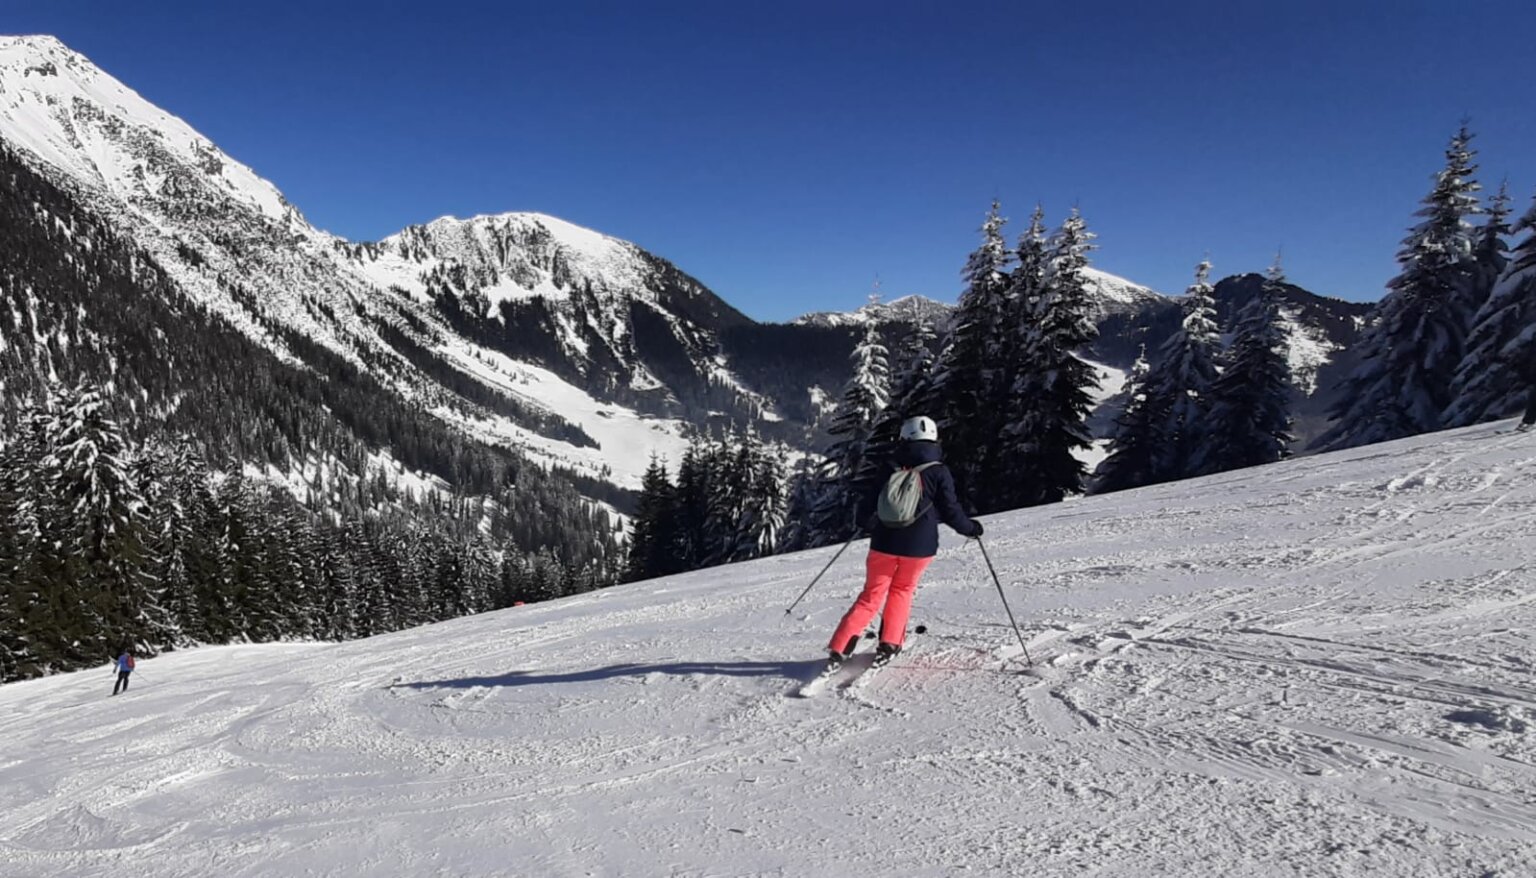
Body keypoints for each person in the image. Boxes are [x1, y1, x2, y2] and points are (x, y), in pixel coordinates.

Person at [823, 415, 983, 672]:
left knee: (871, 595)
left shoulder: (890, 466)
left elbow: (869, 501)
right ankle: (889, 644)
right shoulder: (938, 471)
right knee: (902, 590)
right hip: (919, 547)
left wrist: (865, 523)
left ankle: (840, 647)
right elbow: (951, 511)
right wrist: (971, 529)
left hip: (883, 542)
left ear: (904, 438)